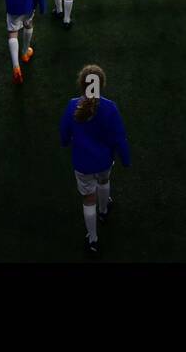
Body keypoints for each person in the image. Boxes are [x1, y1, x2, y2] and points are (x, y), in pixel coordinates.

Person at [59, 64, 131, 256]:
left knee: (87, 199)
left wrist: (66, 141)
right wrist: (125, 159)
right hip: (104, 161)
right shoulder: (110, 108)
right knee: (104, 180)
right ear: (102, 85)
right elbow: (119, 137)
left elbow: (64, 134)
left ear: (82, 85)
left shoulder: (72, 105)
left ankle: (93, 240)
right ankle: (104, 210)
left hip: (82, 164)